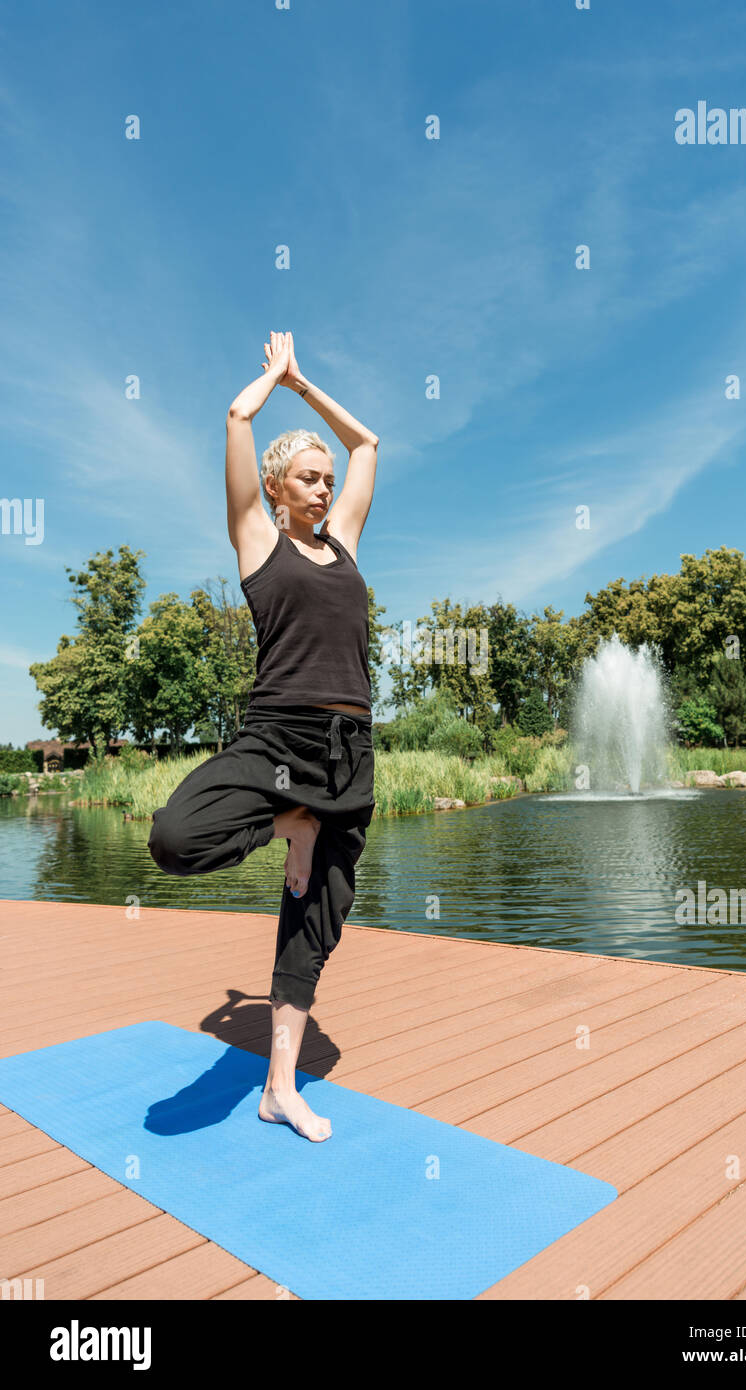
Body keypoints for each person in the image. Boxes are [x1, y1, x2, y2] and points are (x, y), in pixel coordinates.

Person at [148, 330, 379, 1142]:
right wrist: (268, 385)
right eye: (309, 479)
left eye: (327, 479)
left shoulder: (342, 545)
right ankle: (290, 821)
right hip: (278, 740)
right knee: (174, 836)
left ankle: (281, 1087)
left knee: (312, 927)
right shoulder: (258, 541)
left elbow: (368, 442)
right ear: (277, 490)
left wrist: (308, 385)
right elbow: (235, 422)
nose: (324, 488)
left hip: (350, 752)